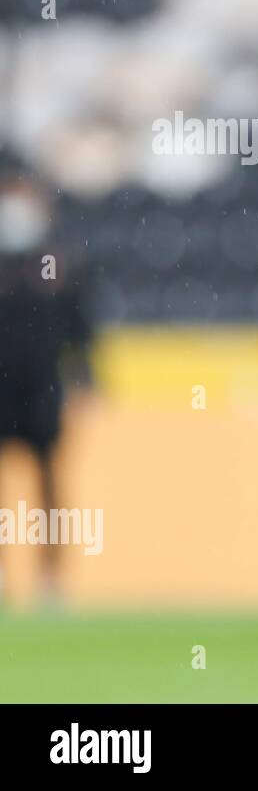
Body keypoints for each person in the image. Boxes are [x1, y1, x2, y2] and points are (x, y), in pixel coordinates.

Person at [0, 170, 95, 605]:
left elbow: (81, 333)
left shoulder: (60, 266)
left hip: (42, 389)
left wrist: (86, 380)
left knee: (50, 483)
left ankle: (51, 580)